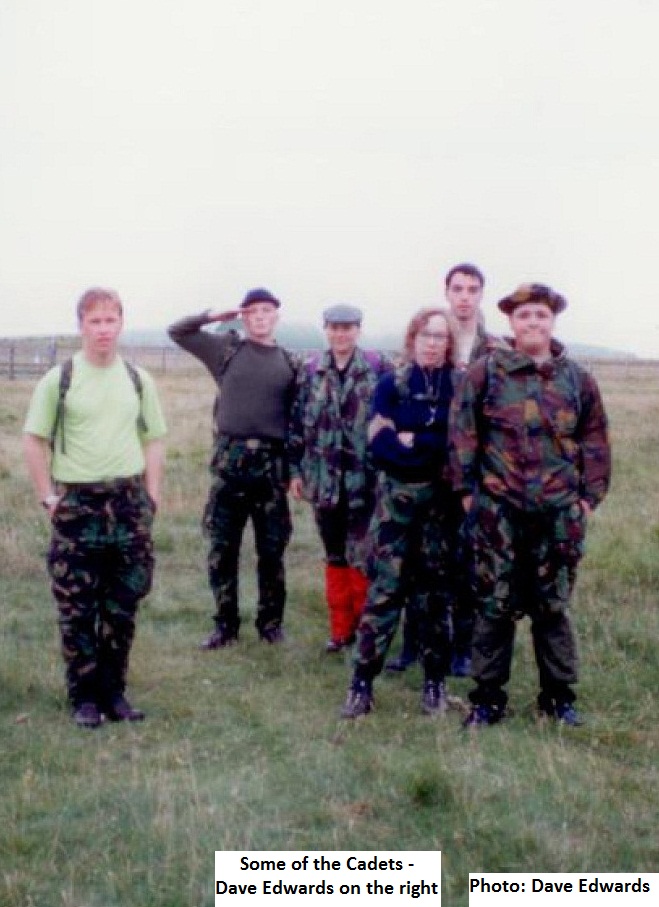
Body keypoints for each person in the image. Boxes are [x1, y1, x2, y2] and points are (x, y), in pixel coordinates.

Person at [450, 283, 611, 727]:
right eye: (524, 316)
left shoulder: (577, 378)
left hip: (558, 514)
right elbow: (462, 434)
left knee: (552, 607)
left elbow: (595, 440)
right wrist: (468, 495)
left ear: (552, 320)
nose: (533, 322)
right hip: (498, 512)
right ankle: (487, 699)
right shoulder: (486, 373)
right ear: (512, 322)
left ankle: (558, 698)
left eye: (541, 314)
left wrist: (587, 499)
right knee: (494, 605)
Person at [23, 287, 166, 729]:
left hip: (128, 505)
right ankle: (84, 697)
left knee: (123, 605)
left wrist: (152, 493)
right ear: (81, 326)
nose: (103, 329)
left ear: (121, 324)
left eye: (110, 320)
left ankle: (114, 693)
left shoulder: (138, 380)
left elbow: (154, 438)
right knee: (78, 608)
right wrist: (48, 495)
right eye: (95, 321)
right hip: (78, 507)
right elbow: (34, 439)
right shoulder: (60, 380)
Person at [385, 262, 502, 675]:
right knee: (417, 559)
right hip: (426, 471)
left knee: (465, 560)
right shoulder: (433, 335)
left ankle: (463, 647)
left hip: (471, 473)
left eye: (472, 289)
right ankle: (413, 643)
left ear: (481, 294)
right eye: (458, 288)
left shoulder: (494, 350)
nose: (465, 296)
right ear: (447, 291)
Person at [168, 288, 301, 649]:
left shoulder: (290, 363)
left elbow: (297, 423)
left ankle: (270, 625)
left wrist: (295, 471)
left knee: (271, 551)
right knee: (223, 549)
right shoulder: (225, 350)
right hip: (230, 465)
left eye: (266, 311)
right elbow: (177, 332)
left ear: (276, 317)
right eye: (252, 311)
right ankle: (225, 625)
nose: (260, 317)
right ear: (243, 317)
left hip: (271, 467)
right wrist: (213, 316)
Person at [341, 308, 457, 718]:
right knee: (384, 594)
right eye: (426, 334)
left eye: (440, 336)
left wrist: (415, 440)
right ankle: (361, 685)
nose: (432, 343)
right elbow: (380, 444)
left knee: (434, 598)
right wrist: (425, 446)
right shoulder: (391, 384)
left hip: (440, 510)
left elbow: (456, 446)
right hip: (395, 511)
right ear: (413, 338)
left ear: (449, 343)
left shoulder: (460, 386)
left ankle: (435, 684)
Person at [289, 304, 392, 652]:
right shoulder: (310, 370)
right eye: (334, 328)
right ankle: (340, 632)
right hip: (324, 483)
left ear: (358, 330)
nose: (340, 334)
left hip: (367, 484)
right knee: (334, 555)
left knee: (363, 557)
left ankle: (365, 631)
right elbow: (296, 426)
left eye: (347, 328)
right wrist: (295, 472)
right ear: (326, 330)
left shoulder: (379, 367)